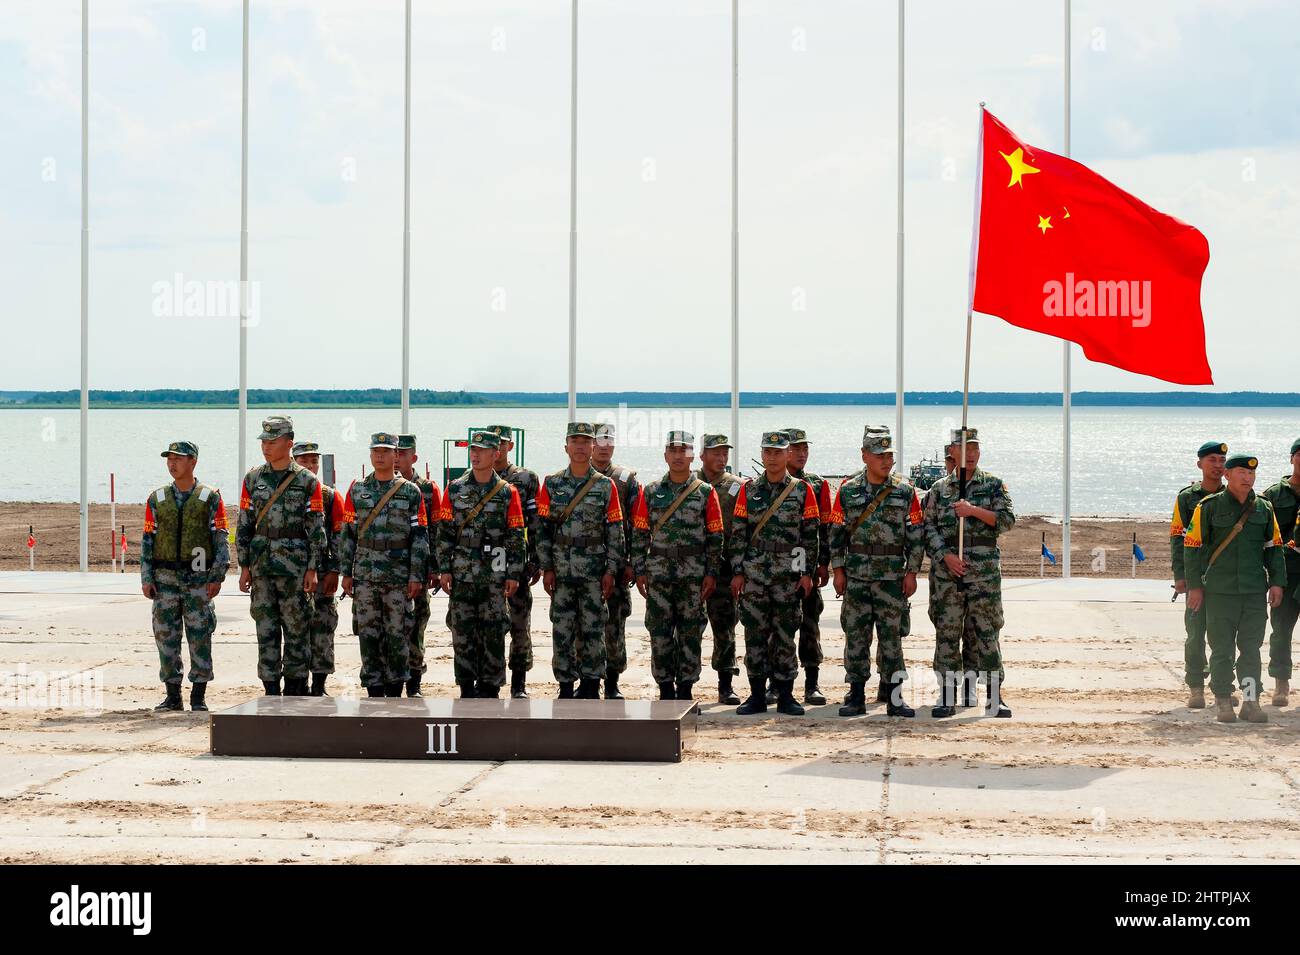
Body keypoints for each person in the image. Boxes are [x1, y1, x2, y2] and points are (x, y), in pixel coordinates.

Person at [1183, 453, 1286, 724]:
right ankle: (1223, 700)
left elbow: (1274, 549)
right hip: (1219, 593)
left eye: (1251, 473)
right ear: (1227, 475)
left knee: (1251, 649)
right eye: (1241, 472)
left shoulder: (1264, 508)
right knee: (1222, 650)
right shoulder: (1208, 507)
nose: (1247, 477)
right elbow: (1191, 548)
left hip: (1253, 592)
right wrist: (1194, 586)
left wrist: (1277, 582)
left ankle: (1251, 701)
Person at [828, 425, 922, 718]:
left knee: (891, 638)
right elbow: (836, 533)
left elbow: (915, 536)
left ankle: (894, 698)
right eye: (879, 454)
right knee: (856, 636)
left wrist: (912, 572)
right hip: (856, 577)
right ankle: (856, 696)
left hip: (892, 578)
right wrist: (838, 571)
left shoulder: (905, 492)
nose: (886, 460)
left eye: (890, 455)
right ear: (865, 456)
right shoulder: (848, 490)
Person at [922, 428, 1015, 718]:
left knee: (987, 633)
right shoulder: (939, 490)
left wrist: (973, 510)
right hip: (948, 573)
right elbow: (926, 528)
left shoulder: (993, 484)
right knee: (947, 633)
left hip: (984, 572)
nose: (972, 453)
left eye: (975, 447)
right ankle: (947, 695)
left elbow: (1007, 520)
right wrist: (945, 556)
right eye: (966, 447)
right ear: (953, 452)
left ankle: (994, 696)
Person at [729, 430, 821, 716]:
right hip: (755, 575)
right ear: (762, 454)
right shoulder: (749, 490)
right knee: (754, 636)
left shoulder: (802, 490)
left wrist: (804, 573)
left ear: (787, 455)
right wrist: (738, 571)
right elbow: (738, 533)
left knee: (785, 636)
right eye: (768, 452)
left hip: (786, 577)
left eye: (778, 452)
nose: (772, 457)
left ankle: (785, 696)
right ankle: (756, 695)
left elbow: (809, 535)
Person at [630, 431, 725, 701]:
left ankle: (685, 689)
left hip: (692, 576)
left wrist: (711, 573)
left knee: (690, 634)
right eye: (673, 450)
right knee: (659, 634)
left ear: (693, 455)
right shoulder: (651, 491)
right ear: (665, 455)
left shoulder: (705, 492)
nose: (678, 455)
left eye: (684, 450)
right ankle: (665, 689)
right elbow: (639, 533)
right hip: (659, 576)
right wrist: (639, 570)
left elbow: (715, 535)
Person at [236, 415, 327, 696]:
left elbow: (316, 528)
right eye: (264, 441)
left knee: (297, 630)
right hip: (262, 567)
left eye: (272, 441)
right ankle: (271, 689)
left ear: (289, 443)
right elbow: (244, 523)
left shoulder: (307, 481)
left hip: (295, 569)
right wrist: (244, 565)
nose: (266, 446)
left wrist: (313, 568)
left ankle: (297, 688)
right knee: (266, 631)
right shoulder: (253, 479)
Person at [536, 422, 625, 699]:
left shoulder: (605, 486)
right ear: (566, 447)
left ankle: (590, 684)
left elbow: (615, 531)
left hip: (594, 573)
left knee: (593, 629)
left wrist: (611, 569)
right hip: (562, 572)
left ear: (593, 447)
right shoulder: (551, 483)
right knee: (562, 630)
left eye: (585, 442)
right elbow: (542, 529)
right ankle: (564, 685)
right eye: (575, 441)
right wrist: (547, 567)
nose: (580, 447)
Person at [339, 433, 431, 697]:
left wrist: (416, 575)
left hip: (399, 576)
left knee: (398, 635)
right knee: (368, 635)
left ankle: (395, 688)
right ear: (370, 454)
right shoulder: (358, 490)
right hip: (366, 576)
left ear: (396, 455)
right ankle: (373, 689)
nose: (380, 455)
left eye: (386, 451)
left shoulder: (410, 492)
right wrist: (347, 572)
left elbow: (419, 536)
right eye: (375, 450)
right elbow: (348, 534)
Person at [140, 441, 229, 712]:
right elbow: (147, 539)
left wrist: (218, 575)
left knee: (200, 635)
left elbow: (221, 537)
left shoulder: (210, 496)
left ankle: (198, 696)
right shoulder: (157, 498)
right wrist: (146, 576)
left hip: (198, 579)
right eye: (169, 459)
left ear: (193, 461)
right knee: (166, 637)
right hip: (165, 579)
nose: (172, 463)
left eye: (178, 459)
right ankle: (172, 695)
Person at [436, 431, 526, 698]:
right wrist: (444, 568)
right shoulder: (455, 489)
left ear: (495, 454)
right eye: (473, 449)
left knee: (494, 631)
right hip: (463, 572)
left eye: (482, 450)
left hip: (495, 575)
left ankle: (490, 687)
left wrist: (514, 573)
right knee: (462, 633)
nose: (475, 454)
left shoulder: (507, 493)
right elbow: (445, 532)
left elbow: (516, 535)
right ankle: (465, 686)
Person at [1170, 440, 1228, 708]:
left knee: (1224, 636)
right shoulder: (1186, 498)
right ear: (1200, 464)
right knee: (1195, 633)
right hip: (1196, 576)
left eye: (1221, 461)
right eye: (1212, 460)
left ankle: (1222, 686)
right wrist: (1180, 576)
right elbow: (1177, 537)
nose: (1218, 465)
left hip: (1226, 579)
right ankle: (1196, 686)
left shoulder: (1234, 497)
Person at [487, 425, 541, 699]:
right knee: (491, 623)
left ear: (509, 447)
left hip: (517, 560)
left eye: (503, 444)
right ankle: (491, 679)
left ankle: (519, 682)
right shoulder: (473, 479)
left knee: (520, 622)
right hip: (486, 564)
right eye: (493, 444)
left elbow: (534, 522)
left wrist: (535, 560)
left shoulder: (526, 478)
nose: (498, 449)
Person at [783, 428, 834, 705]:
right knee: (777, 627)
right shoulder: (765, 484)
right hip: (775, 566)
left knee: (809, 623)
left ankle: (811, 682)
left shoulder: (816, 485)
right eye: (796, 448)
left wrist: (823, 564)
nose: (802, 454)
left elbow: (825, 527)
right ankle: (776, 682)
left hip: (806, 563)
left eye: (805, 449)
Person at [291, 441, 346, 696]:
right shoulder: (286, 492)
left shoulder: (330, 496)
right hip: (292, 573)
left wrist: (335, 570)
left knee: (323, 628)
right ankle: (297, 683)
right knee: (295, 629)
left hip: (323, 575)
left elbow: (339, 536)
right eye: (305, 461)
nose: (311, 465)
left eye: (314, 461)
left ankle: (320, 684)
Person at [696, 434, 747, 704]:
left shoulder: (737, 487)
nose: (721, 458)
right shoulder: (690, 484)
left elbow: (742, 531)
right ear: (702, 455)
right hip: (691, 567)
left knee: (725, 626)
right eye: (715, 453)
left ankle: (725, 683)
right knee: (690, 628)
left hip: (725, 568)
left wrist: (739, 568)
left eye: (725, 453)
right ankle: (686, 683)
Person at [592, 422, 641, 699]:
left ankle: (612, 681)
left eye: (609, 440)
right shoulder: (577, 477)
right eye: (599, 440)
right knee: (583, 628)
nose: (605, 446)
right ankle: (586, 680)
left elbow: (637, 524)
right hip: (583, 563)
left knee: (614, 626)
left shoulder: (626, 479)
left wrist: (632, 562)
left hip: (617, 564)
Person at [395, 434, 442, 697]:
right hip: (387, 571)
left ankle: (414, 682)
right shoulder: (378, 485)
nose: (397, 459)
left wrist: (435, 568)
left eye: (403, 454)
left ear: (413, 458)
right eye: (395, 453)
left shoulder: (426, 489)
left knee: (415, 626)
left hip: (418, 572)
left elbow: (435, 531)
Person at [1259, 438, 1300, 707]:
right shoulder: (1274, 495)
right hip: (1286, 573)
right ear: (1292, 458)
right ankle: (1281, 683)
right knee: (1281, 631)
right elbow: (1260, 534)